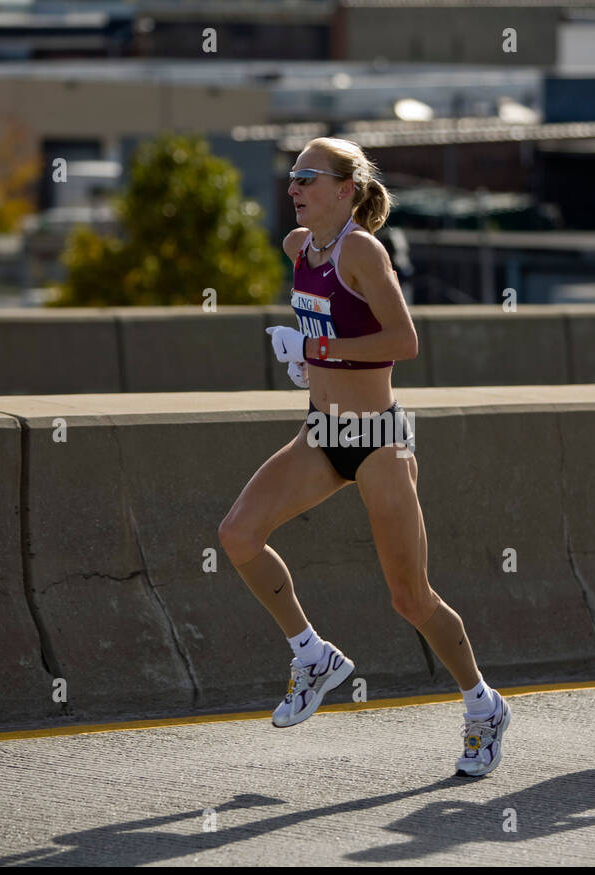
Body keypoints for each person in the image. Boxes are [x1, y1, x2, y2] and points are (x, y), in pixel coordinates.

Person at [218, 137, 510, 777]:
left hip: (377, 439)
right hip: (323, 433)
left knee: (411, 598)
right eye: (292, 176)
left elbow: (404, 340)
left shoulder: (362, 249)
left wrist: (316, 352)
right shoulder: (299, 249)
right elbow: (331, 335)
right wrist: (305, 358)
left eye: (307, 177)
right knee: (238, 535)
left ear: (346, 189)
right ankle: (312, 655)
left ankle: (482, 703)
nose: (293, 187)